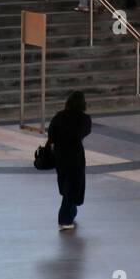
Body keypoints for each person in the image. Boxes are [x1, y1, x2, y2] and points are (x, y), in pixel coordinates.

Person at [48, 91, 93, 231]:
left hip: (60, 155)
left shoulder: (59, 116)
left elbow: (51, 134)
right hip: (76, 156)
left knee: (66, 184)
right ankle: (65, 219)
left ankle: (70, 214)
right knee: (74, 186)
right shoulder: (84, 119)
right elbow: (85, 132)